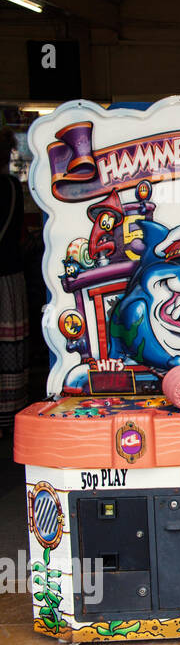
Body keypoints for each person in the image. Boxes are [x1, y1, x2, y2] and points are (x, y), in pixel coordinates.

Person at [0, 128, 28, 439]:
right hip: (6, 277)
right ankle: (7, 418)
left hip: (6, 274)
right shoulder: (9, 186)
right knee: (10, 347)